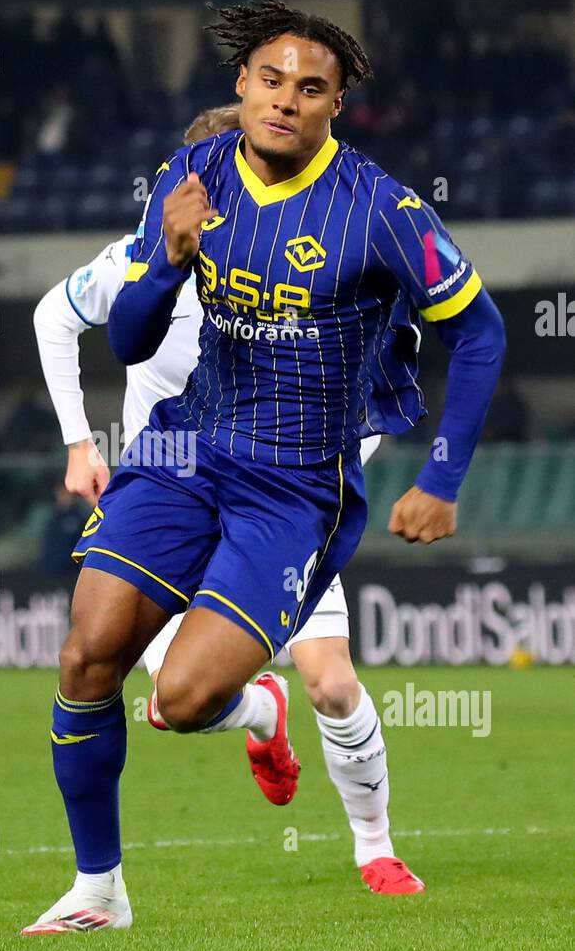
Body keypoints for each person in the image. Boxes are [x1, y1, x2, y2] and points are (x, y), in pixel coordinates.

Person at [24, 0, 505, 934]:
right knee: (86, 657)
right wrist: (166, 263)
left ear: (336, 105)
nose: (286, 100)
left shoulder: (383, 212)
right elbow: (127, 340)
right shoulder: (193, 171)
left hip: (293, 485)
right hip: (181, 449)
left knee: (185, 696)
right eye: (271, 79)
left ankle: (369, 835)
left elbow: (480, 333)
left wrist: (442, 478)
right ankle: (99, 892)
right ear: (241, 85)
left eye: (310, 88)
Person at [33, 101, 419, 902]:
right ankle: (256, 716)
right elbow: (52, 315)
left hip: (279, 500)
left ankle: (375, 847)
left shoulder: (310, 278)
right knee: (169, 699)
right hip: (172, 495)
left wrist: (331, 471)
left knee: (334, 683)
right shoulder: (141, 260)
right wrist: (78, 439)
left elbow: (366, 398)